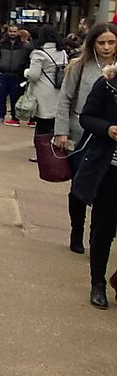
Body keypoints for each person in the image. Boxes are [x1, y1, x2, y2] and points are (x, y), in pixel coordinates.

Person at [55, 23, 117, 254]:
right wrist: (60, 131)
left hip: (110, 138)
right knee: (80, 187)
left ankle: (99, 237)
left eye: (111, 42)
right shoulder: (79, 66)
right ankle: (76, 229)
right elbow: (65, 99)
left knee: (106, 190)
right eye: (102, 43)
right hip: (80, 136)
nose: (107, 47)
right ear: (92, 44)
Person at [68, 63, 117, 308]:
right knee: (104, 229)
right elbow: (87, 117)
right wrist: (107, 128)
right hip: (109, 170)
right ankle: (97, 283)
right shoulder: (108, 84)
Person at [25, 25, 68, 159]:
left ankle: (41, 154)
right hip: (58, 91)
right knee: (54, 125)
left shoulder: (39, 54)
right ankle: (54, 150)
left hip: (42, 93)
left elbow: (33, 75)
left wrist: (25, 72)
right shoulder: (63, 53)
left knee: (42, 126)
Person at [0, 25, 28, 125]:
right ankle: (0, 115)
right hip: (3, 74)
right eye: (11, 31)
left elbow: (25, 59)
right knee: (1, 96)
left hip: (16, 75)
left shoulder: (23, 46)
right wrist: (0, 64)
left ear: (18, 32)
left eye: (14, 31)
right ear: (8, 32)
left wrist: (21, 69)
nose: (12, 33)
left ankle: (14, 116)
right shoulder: (1, 44)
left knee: (15, 97)